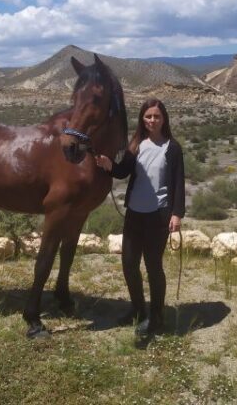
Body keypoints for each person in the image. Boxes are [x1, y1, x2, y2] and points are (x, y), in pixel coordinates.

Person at [95, 98, 185, 338]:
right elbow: (122, 172)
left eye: (156, 116)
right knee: (129, 263)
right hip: (134, 213)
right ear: (142, 119)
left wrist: (177, 213)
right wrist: (108, 164)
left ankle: (156, 317)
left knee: (153, 267)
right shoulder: (135, 145)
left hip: (159, 215)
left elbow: (179, 182)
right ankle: (137, 309)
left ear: (164, 119)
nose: (152, 120)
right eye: (148, 116)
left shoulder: (172, 148)